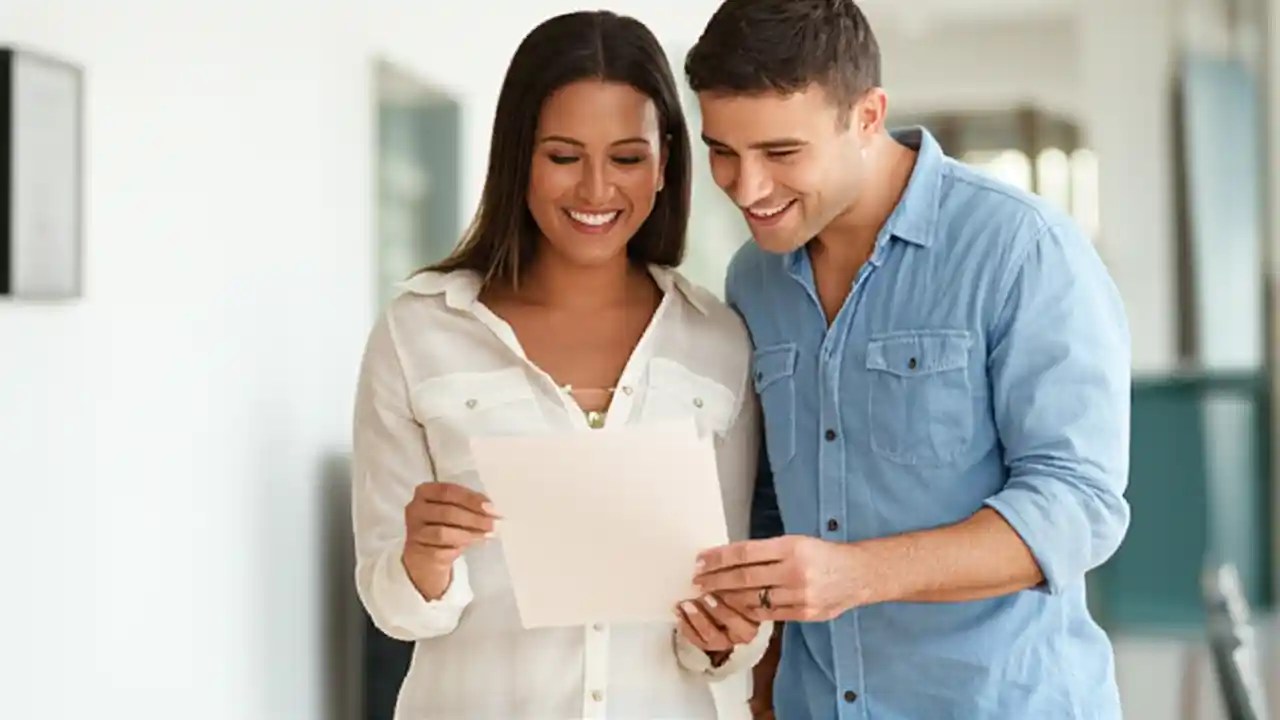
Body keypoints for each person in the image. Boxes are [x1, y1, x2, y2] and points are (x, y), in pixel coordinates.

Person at [681, 2, 1132, 719]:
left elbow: (1078, 505)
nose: (747, 188)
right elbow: (772, 506)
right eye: (723, 152)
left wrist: (856, 575)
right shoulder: (753, 280)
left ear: (867, 116)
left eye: (781, 153)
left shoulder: (1021, 250)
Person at [351, 10, 772, 720]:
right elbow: (398, 610)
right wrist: (422, 561)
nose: (596, 190)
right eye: (564, 155)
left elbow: (712, 619)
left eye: (627, 158)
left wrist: (732, 638)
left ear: (665, 163)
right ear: (519, 156)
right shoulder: (418, 332)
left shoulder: (721, 342)